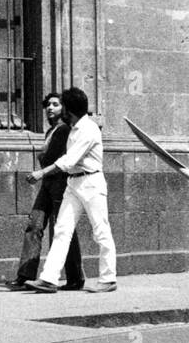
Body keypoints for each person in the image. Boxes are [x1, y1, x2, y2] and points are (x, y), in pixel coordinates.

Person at [24, 87, 118, 293]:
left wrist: (41, 173)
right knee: (62, 229)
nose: (60, 110)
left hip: (91, 182)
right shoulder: (74, 127)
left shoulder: (89, 129)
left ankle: (108, 279)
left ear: (70, 109)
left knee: (101, 231)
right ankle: (49, 279)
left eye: (63, 106)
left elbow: (69, 160)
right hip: (74, 183)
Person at [5, 93, 85, 291]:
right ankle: (25, 275)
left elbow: (63, 159)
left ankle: (75, 277)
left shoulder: (66, 130)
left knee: (63, 229)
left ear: (63, 109)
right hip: (48, 184)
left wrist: (41, 172)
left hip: (61, 183)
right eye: (48, 104)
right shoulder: (52, 130)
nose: (50, 108)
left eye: (55, 105)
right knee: (34, 225)